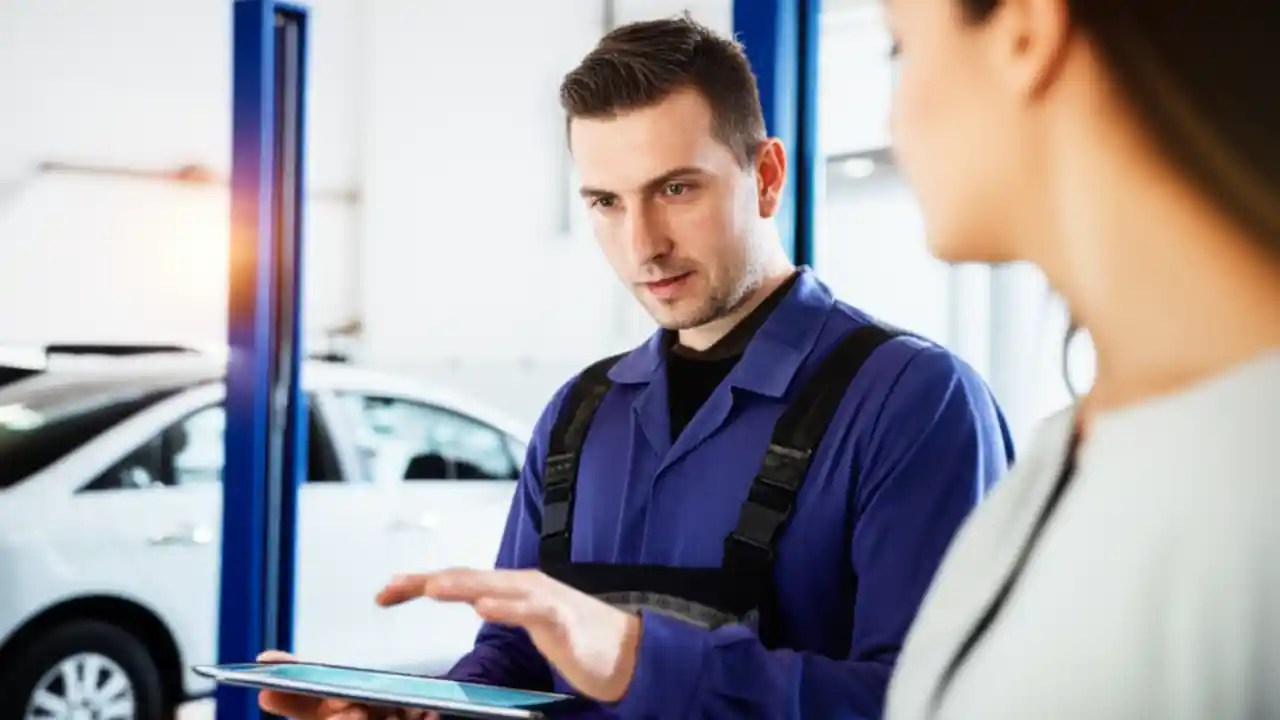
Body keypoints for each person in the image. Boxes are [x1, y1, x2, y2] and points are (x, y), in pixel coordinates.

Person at [259, 15, 1012, 720]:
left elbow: (935, 702)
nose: (641, 243)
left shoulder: (915, 401)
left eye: (675, 189)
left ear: (768, 176)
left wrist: (639, 658)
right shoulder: (580, 414)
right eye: (605, 202)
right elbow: (519, 654)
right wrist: (424, 707)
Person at [874, 0, 1280, 717]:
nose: (892, 120)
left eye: (900, 51)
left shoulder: (1251, 482)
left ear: (1026, 32)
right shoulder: (1074, 447)